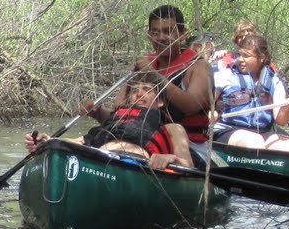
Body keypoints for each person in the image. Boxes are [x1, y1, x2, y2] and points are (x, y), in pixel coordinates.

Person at [81, 4, 211, 154]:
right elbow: (121, 113)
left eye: (168, 31)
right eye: (155, 32)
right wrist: (97, 113)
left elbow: (191, 105)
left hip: (187, 145)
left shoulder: (199, 67)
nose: (161, 37)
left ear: (183, 34)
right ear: (149, 35)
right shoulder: (143, 65)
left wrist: (154, 75)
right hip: (141, 137)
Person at [28, 70, 188, 169]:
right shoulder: (114, 121)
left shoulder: (172, 128)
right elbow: (80, 142)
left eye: (146, 90)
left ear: (160, 101)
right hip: (98, 160)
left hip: (135, 167)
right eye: (135, 91)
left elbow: (189, 165)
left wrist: (171, 158)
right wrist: (47, 141)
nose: (139, 94)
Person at [212, 32, 289, 152]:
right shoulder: (225, 76)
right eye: (239, 54)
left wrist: (286, 109)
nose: (240, 59)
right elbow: (205, 106)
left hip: (262, 132)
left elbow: (281, 120)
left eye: (246, 56)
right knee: (254, 142)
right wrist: (211, 112)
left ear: (261, 58)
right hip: (228, 129)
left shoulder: (274, 81)